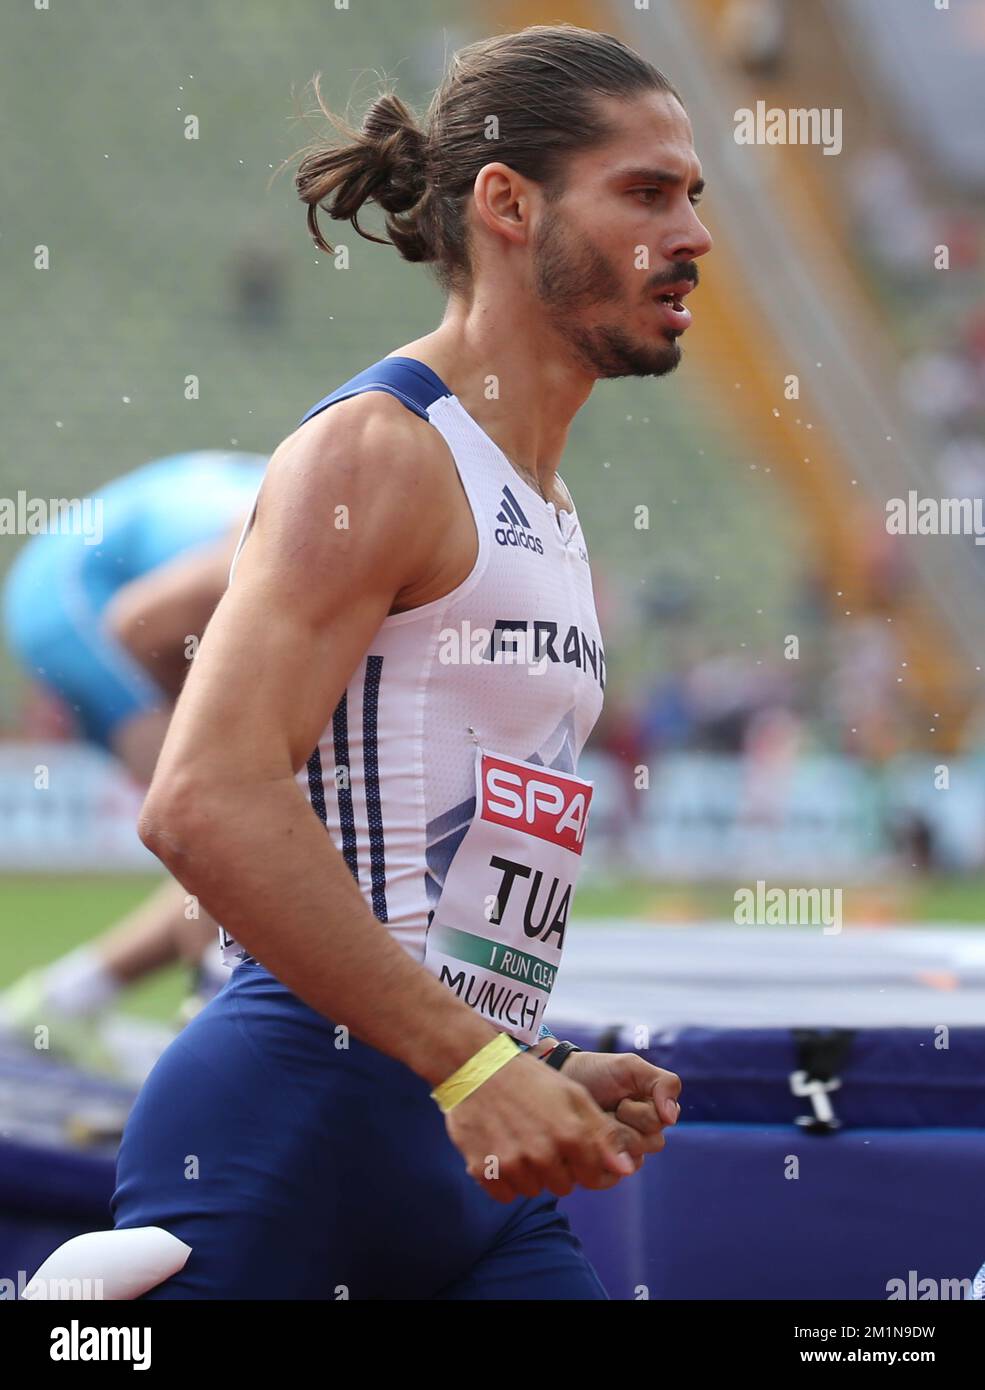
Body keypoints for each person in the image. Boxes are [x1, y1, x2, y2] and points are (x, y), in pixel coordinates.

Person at [109, 24, 710, 1299]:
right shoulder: (377, 455)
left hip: (464, 1148)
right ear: (507, 202)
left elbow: (422, 874)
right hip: (294, 1126)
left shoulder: (546, 507)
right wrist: (473, 1062)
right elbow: (205, 799)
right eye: (647, 193)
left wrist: (526, 1051)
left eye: (694, 197)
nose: (695, 236)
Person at [0, 451, 266, 1073]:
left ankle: (62, 1002)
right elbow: (137, 625)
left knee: (271, 825)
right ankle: (211, 1041)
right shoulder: (299, 538)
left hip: (127, 585)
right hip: (75, 605)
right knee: (221, 819)